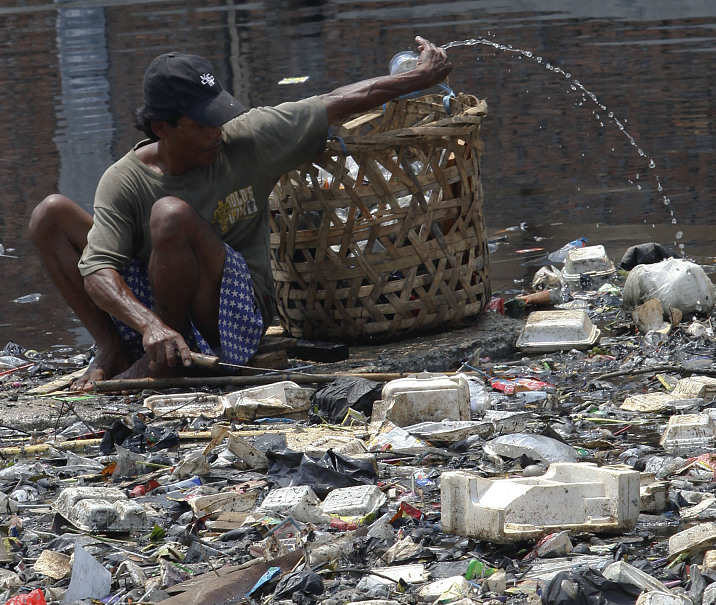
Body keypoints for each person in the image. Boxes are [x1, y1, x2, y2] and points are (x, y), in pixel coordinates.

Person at [30, 37, 452, 391]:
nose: (217, 132)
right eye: (202, 124)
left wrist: (416, 78)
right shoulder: (126, 179)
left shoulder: (245, 139)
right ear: (162, 128)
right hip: (159, 312)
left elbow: (335, 101)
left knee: (170, 215)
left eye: (218, 119)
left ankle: (169, 361)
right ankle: (115, 347)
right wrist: (148, 326)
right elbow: (98, 269)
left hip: (236, 312)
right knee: (51, 214)